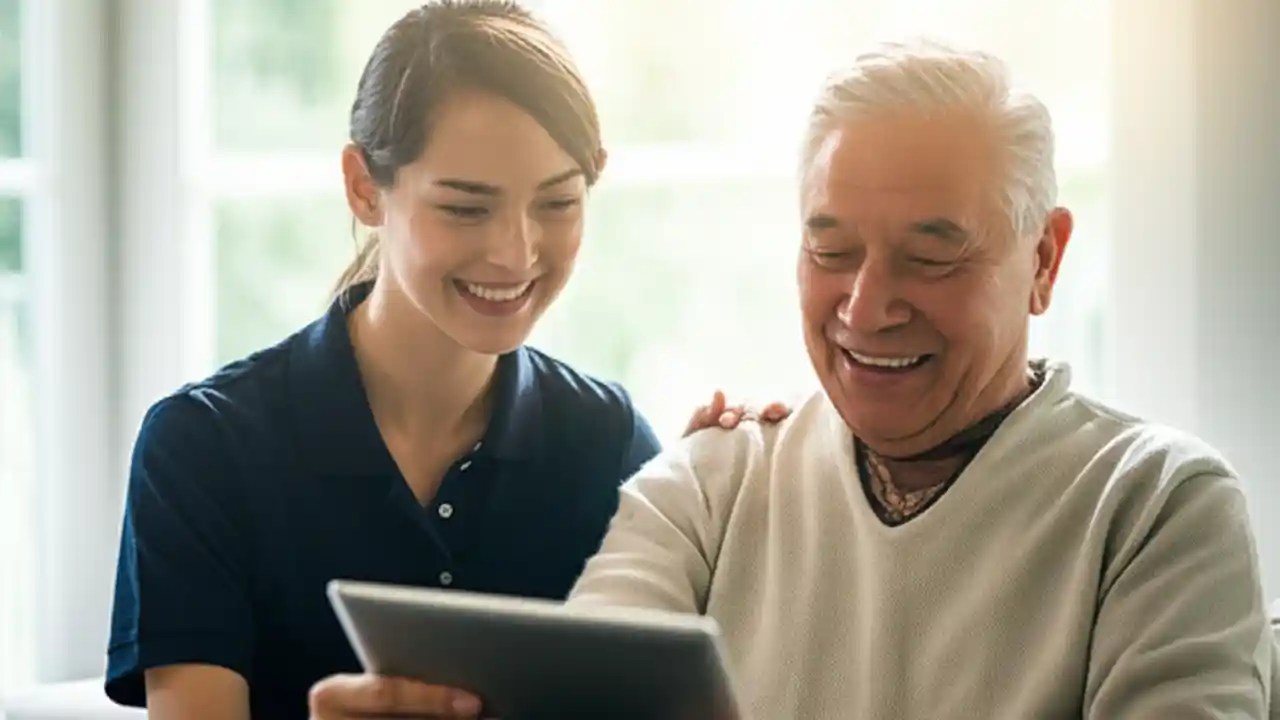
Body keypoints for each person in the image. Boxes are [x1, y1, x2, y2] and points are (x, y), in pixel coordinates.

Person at [309, 39, 1277, 719]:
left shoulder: (1155, 506)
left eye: (929, 257)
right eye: (831, 249)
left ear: (1042, 260)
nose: (864, 307)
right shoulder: (705, 486)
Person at [104, 3, 783, 719]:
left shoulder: (605, 442)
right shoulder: (204, 448)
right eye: (466, 208)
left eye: (557, 204)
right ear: (365, 187)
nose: (516, 254)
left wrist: (714, 517)